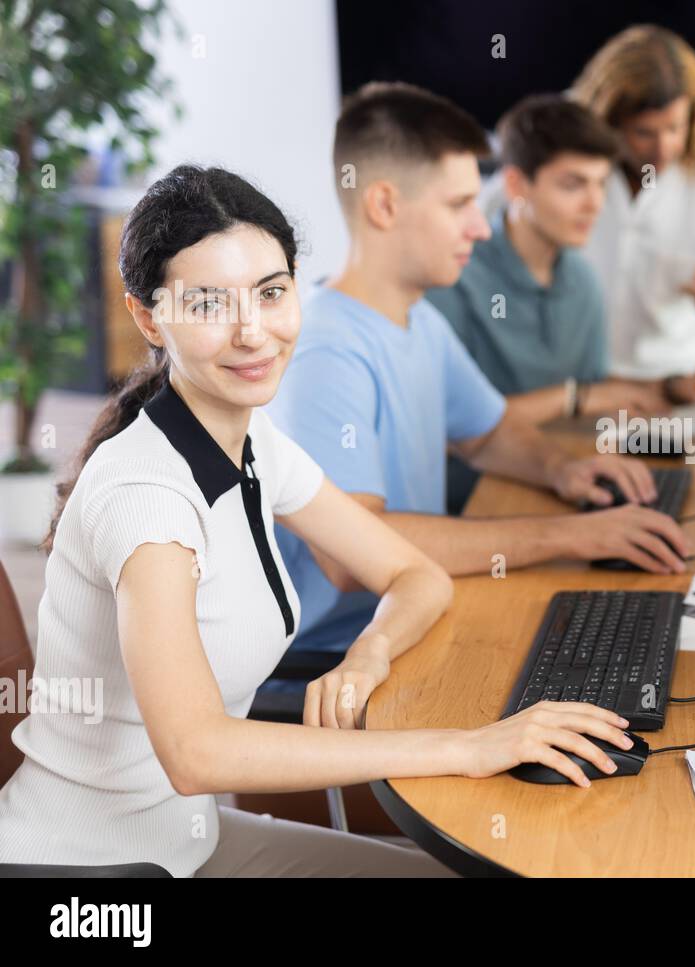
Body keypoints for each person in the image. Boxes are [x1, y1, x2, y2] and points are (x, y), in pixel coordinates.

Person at [0, 166, 635, 878]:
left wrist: (368, 652)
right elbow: (196, 753)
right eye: (208, 303)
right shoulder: (147, 496)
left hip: (185, 839)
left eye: (272, 293)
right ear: (150, 318)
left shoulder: (253, 443)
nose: (253, 332)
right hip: (90, 873)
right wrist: (467, 745)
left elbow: (412, 574)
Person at [269, 82, 691, 665]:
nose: (482, 226)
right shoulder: (325, 352)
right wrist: (568, 536)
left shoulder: (418, 320)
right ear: (385, 205)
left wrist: (563, 469)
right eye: (458, 205)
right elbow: (351, 556)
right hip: (347, 661)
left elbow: (487, 432)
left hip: (425, 615)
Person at [426, 94, 672, 510]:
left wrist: (661, 434)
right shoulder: (455, 275)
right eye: (573, 184)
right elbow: (447, 431)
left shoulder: (583, 281)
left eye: (600, 183)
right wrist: (572, 397)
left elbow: (596, 401)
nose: (594, 204)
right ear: (518, 185)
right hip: (477, 501)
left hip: (557, 477)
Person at [563, 26, 695, 394]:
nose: (663, 149)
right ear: (607, 121)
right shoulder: (564, 133)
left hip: (676, 386)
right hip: (574, 384)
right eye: (643, 133)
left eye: (675, 127)